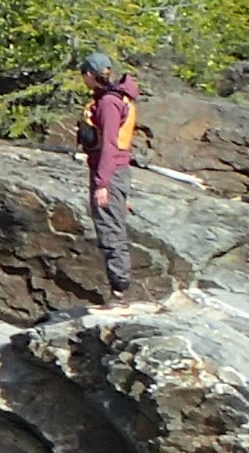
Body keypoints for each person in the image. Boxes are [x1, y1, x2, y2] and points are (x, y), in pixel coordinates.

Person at [77, 52, 139, 310]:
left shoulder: (109, 103)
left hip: (110, 172)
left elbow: (109, 146)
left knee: (110, 230)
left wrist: (102, 184)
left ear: (90, 75)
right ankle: (118, 291)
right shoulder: (114, 97)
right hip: (116, 172)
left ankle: (119, 293)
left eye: (84, 76)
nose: (84, 81)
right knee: (112, 227)